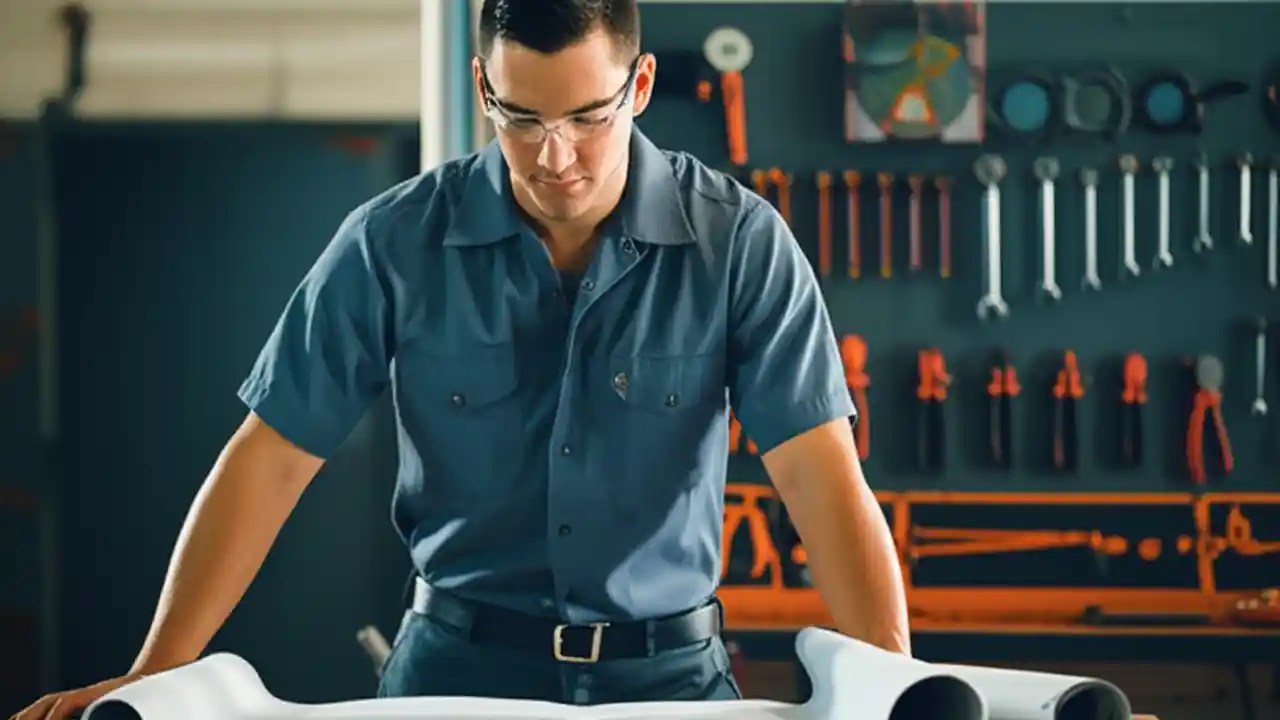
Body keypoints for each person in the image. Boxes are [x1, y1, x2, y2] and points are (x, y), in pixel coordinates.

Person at [11, 1, 908, 717]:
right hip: (452, 676)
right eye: (522, 118)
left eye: (588, 117)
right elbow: (271, 458)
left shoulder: (740, 245)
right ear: (482, 87)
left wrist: (901, 694)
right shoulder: (392, 242)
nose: (556, 157)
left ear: (638, 86)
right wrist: (155, 676)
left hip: (669, 685)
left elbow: (823, 486)